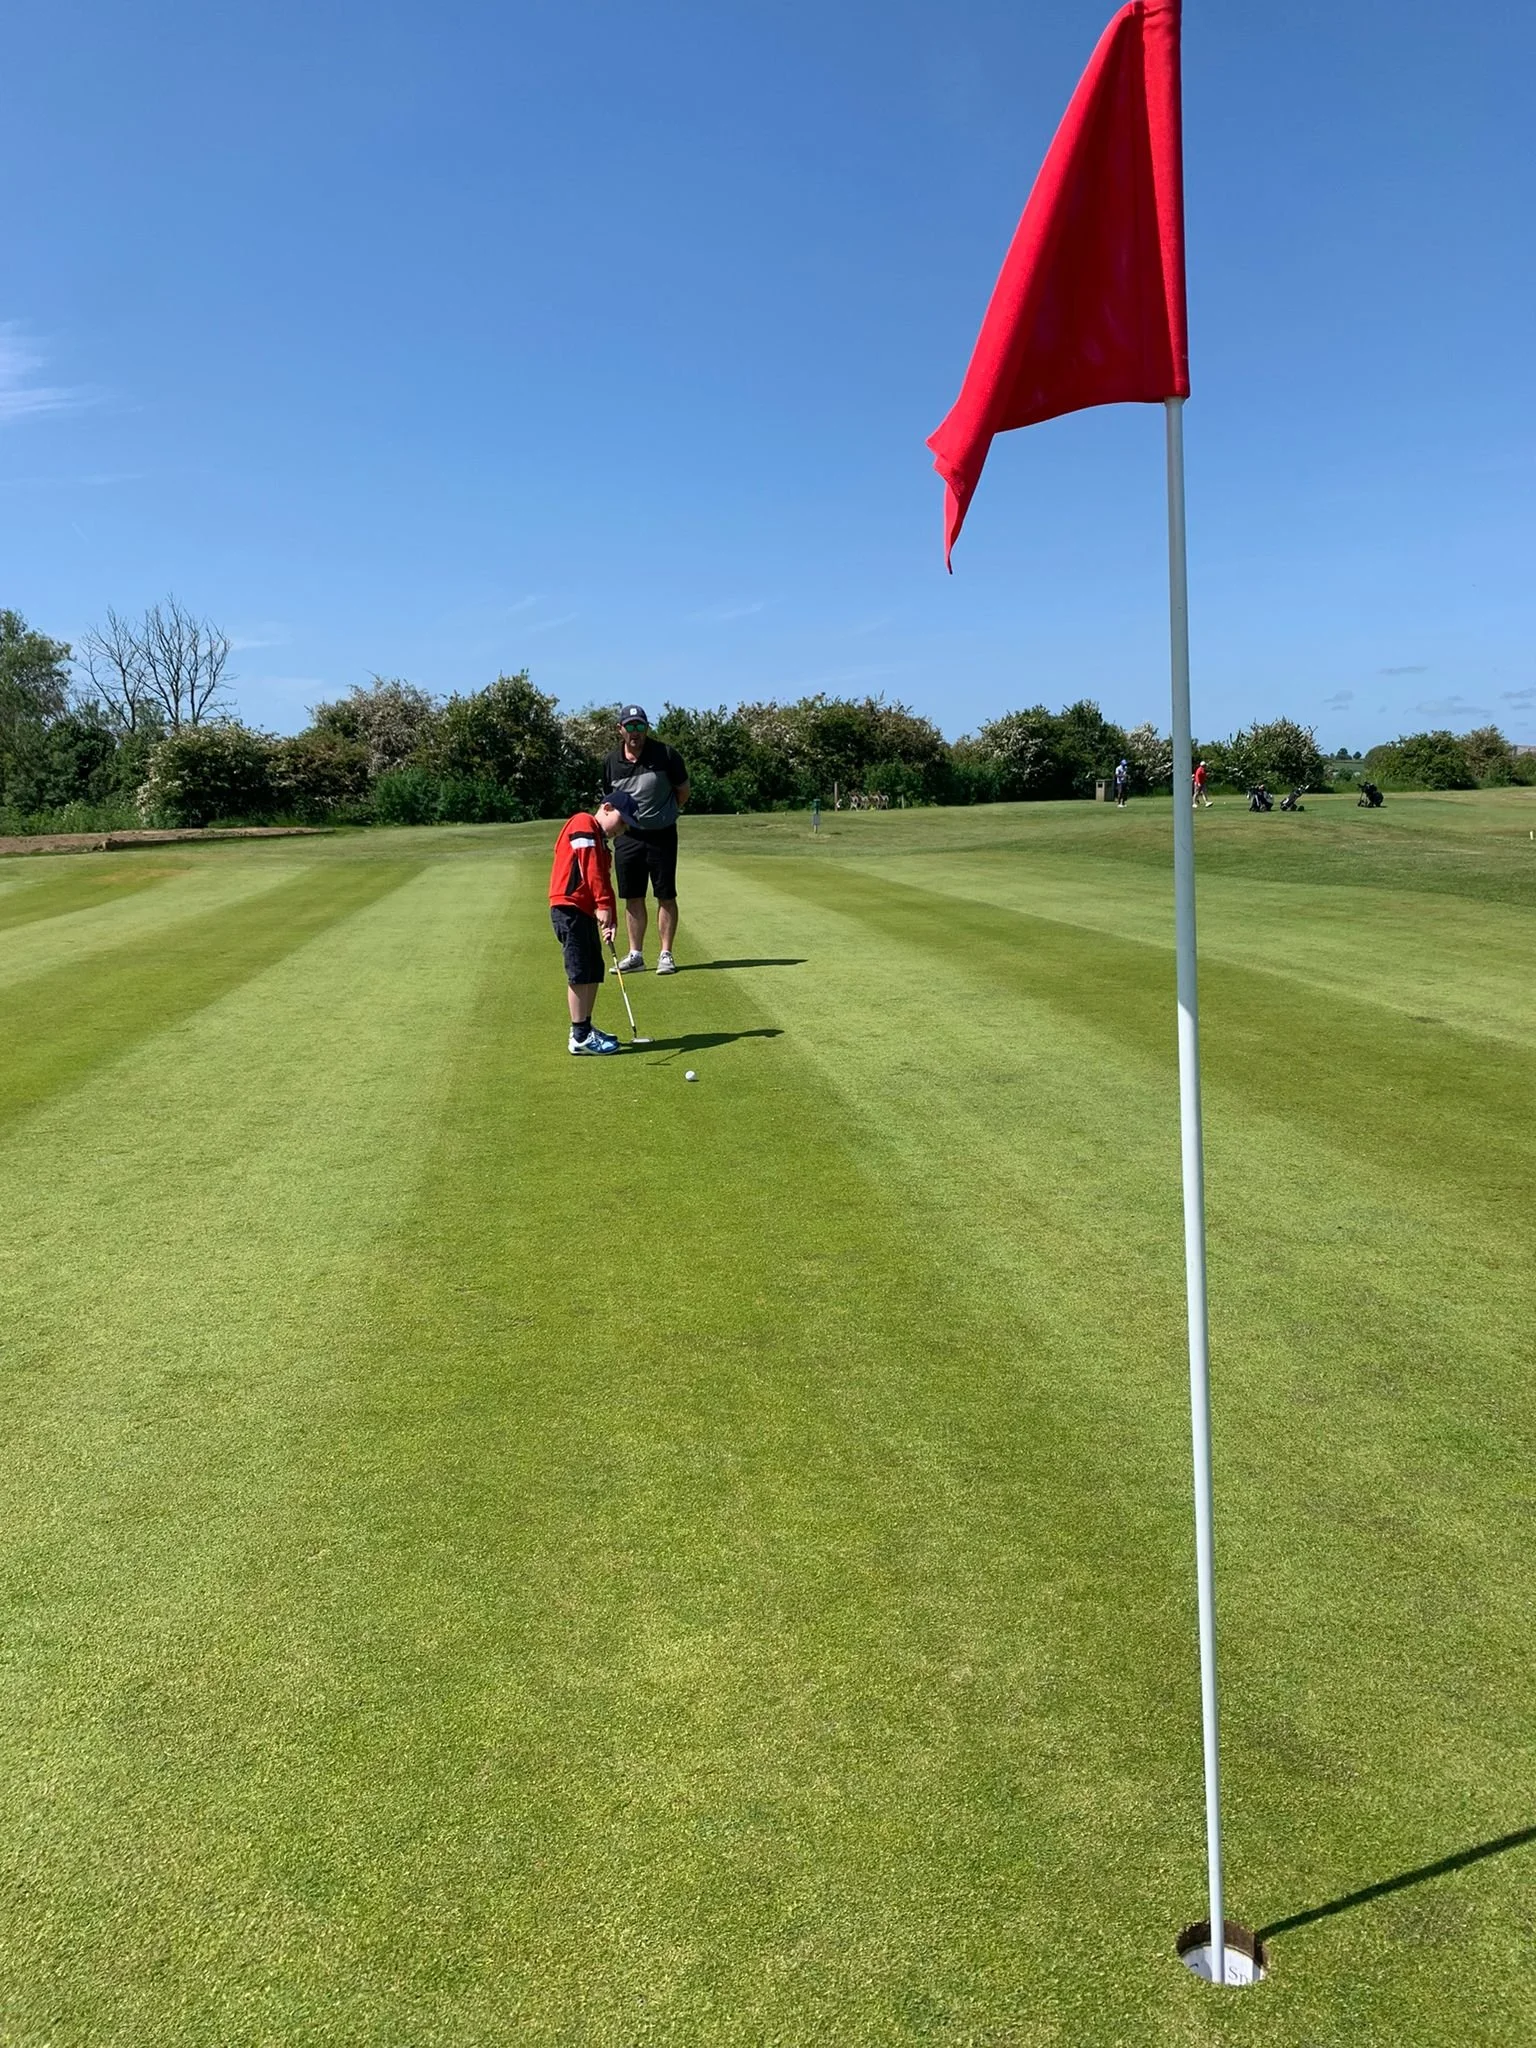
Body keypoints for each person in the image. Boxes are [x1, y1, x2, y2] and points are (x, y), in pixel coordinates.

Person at [548, 790, 639, 1055]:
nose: (621, 831)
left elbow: (603, 877)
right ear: (607, 808)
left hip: (584, 910)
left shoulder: (601, 843)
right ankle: (579, 1037)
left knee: (592, 969)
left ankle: (584, 1027)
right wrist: (601, 904)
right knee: (578, 970)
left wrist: (610, 915)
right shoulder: (583, 823)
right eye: (622, 822)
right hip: (569, 907)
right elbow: (589, 869)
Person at [601, 706, 691, 975]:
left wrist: (664, 814)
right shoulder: (611, 762)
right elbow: (609, 800)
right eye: (630, 727)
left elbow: (682, 791)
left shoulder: (665, 755)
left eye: (640, 726)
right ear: (620, 730)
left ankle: (666, 953)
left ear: (647, 728)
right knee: (632, 895)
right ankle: (636, 955)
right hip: (628, 838)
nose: (635, 732)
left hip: (662, 835)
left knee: (665, 894)